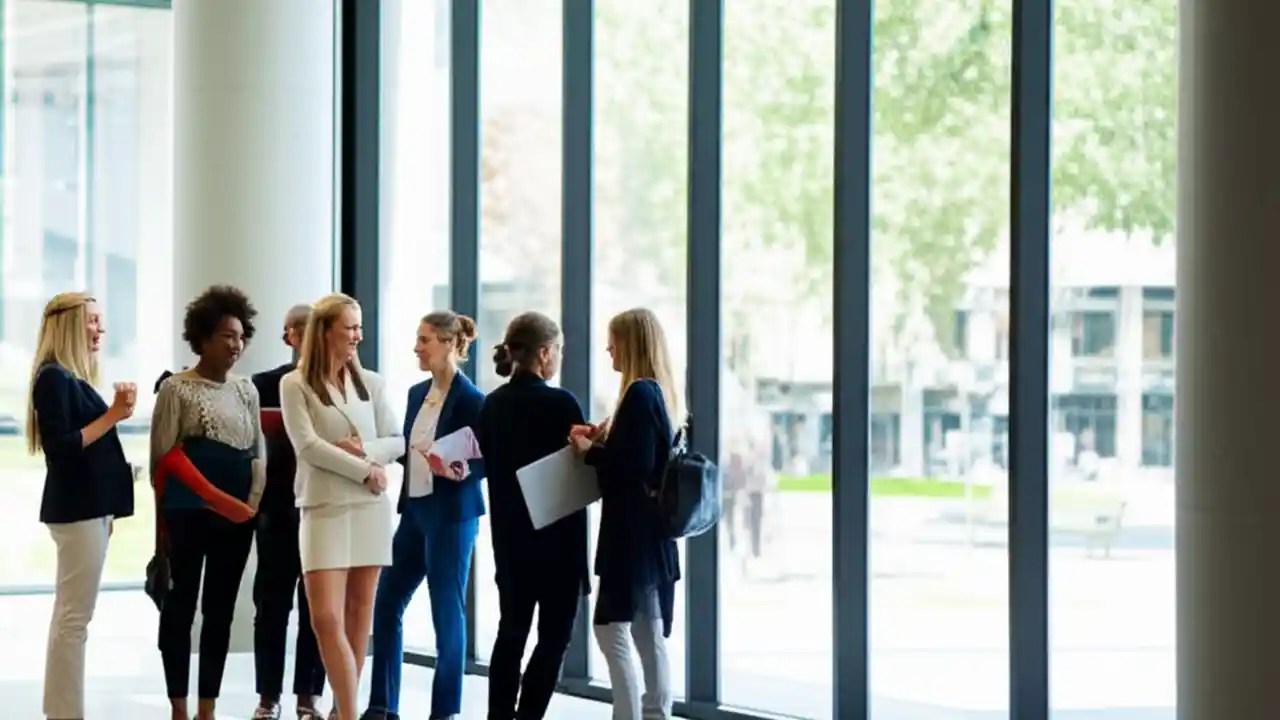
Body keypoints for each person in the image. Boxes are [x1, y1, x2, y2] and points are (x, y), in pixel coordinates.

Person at [280, 293, 402, 720]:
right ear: (325, 331)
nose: (357, 336)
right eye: (349, 327)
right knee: (325, 618)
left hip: (369, 508)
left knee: (357, 616)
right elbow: (308, 446)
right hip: (323, 506)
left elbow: (397, 440)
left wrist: (363, 450)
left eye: (359, 327)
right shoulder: (294, 384)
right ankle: (349, 714)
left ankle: (341, 711)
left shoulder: (372, 382)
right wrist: (363, 468)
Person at [151, 285, 267, 720]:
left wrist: (249, 505)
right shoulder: (176, 389)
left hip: (237, 519)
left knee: (220, 612)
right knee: (180, 610)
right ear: (201, 337)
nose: (236, 345)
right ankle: (178, 707)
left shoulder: (246, 390)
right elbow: (164, 457)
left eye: (240, 336)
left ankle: (207, 708)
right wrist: (217, 499)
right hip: (188, 515)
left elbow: (257, 452)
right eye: (226, 335)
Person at [365, 310, 485, 720]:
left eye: (425, 340)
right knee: (387, 602)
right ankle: (382, 706)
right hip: (414, 510)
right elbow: (408, 446)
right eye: (417, 339)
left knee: (445, 614)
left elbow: (485, 457)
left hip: (451, 515)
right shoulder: (418, 393)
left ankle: (445, 712)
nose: (416, 347)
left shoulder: (472, 400)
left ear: (450, 344)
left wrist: (459, 467)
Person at [27, 291, 136, 720]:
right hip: (77, 510)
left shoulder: (68, 378)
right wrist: (114, 414)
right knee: (74, 620)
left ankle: (62, 711)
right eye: (92, 321)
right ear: (69, 323)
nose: (99, 331)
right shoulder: (54, 378)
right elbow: (63, 449)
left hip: (88, 510)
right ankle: (64, 714)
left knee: (70, 618)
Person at [570, 308, 682, 720]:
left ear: (631, 344)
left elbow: (630, 467)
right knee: (646, 632)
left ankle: (632, 715)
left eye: (613, 340)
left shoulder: (638, 393)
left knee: (611, 630)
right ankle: (655, 712)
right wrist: (606, 439)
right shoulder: (660, 393)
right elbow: (643, 458)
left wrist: (591, 451)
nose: (608, 348)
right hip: (651, 538)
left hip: (629, 538)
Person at [477, 311, 589, 719]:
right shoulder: (562, 404)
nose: (558, 356)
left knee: (511, 632)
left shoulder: (492, 406)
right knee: (554, 637)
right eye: (557, 350)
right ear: (544, 353)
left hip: (511, 541)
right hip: (558, 541)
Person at [252, 304, 327, 720]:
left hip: (321, 507)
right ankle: (268, 696)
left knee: (319, 608)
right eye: (301, 329)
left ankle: (308, 696)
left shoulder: (337, 385)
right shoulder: (263, 386)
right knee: (272, 605)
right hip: (276, 510)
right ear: (289, 336)